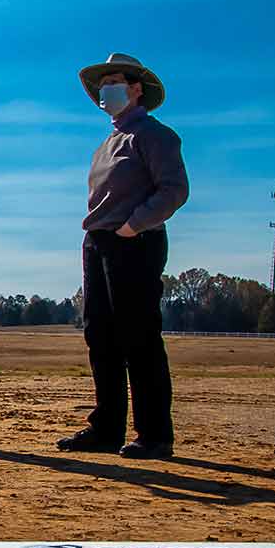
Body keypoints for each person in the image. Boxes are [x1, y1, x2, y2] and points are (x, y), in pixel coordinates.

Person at [57, 53, 189, 459]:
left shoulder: (154, 135)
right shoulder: (108, 142)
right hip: (99, 241)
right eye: (103, 83)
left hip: (134, 241)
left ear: (136, 90)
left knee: (139, 337)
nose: (106, 89)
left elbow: (174, 190)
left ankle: (154, 434)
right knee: (101, 336)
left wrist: (135, 225)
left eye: (115, 81)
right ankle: (107, 427)